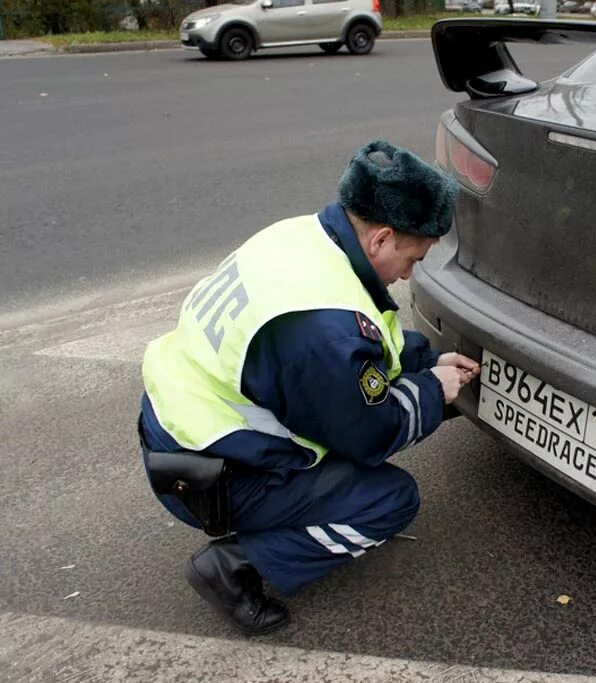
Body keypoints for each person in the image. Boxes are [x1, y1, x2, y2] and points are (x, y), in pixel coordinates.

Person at [137, 139, 479, 635]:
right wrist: (433, 391)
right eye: (414, 257)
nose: (411, 273)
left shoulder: (301, 238)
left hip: (176, 425)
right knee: (389, 499)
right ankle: (235, 566)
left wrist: (425, 360)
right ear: (381, 239)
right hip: (213, 478)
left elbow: (358, 345)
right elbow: (370, 434)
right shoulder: (321, 331)